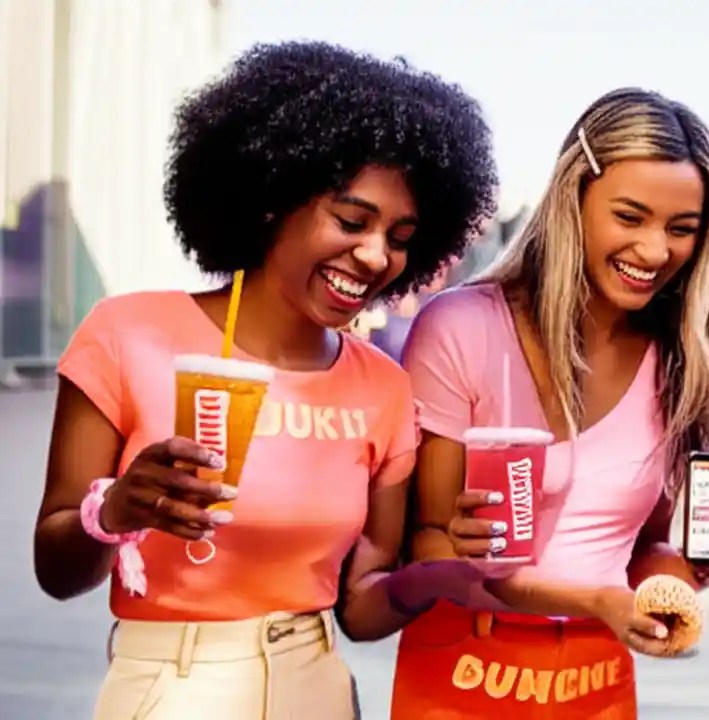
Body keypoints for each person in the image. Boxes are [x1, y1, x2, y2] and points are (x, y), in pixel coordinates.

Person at [32, 41, 498, 719]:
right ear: (270, 200)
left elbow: (362, 609)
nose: (375, 256)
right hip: (170, 683)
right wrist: (116, 511)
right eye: (351, 220)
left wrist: (443, 573)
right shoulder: (125, 334)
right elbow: (56, 570)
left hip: (316, 683)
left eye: (399, 236)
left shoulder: (384, 388)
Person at [391, 87, 709, 719]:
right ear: (574, 197)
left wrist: (693, 570)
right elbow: (427, 545)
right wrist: (596, 599)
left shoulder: (681, 354)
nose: (654, 251)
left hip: (596, 682)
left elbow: (644, 549)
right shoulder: (463, 327)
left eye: (682, 229)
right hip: (463, 673)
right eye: (630, 216)